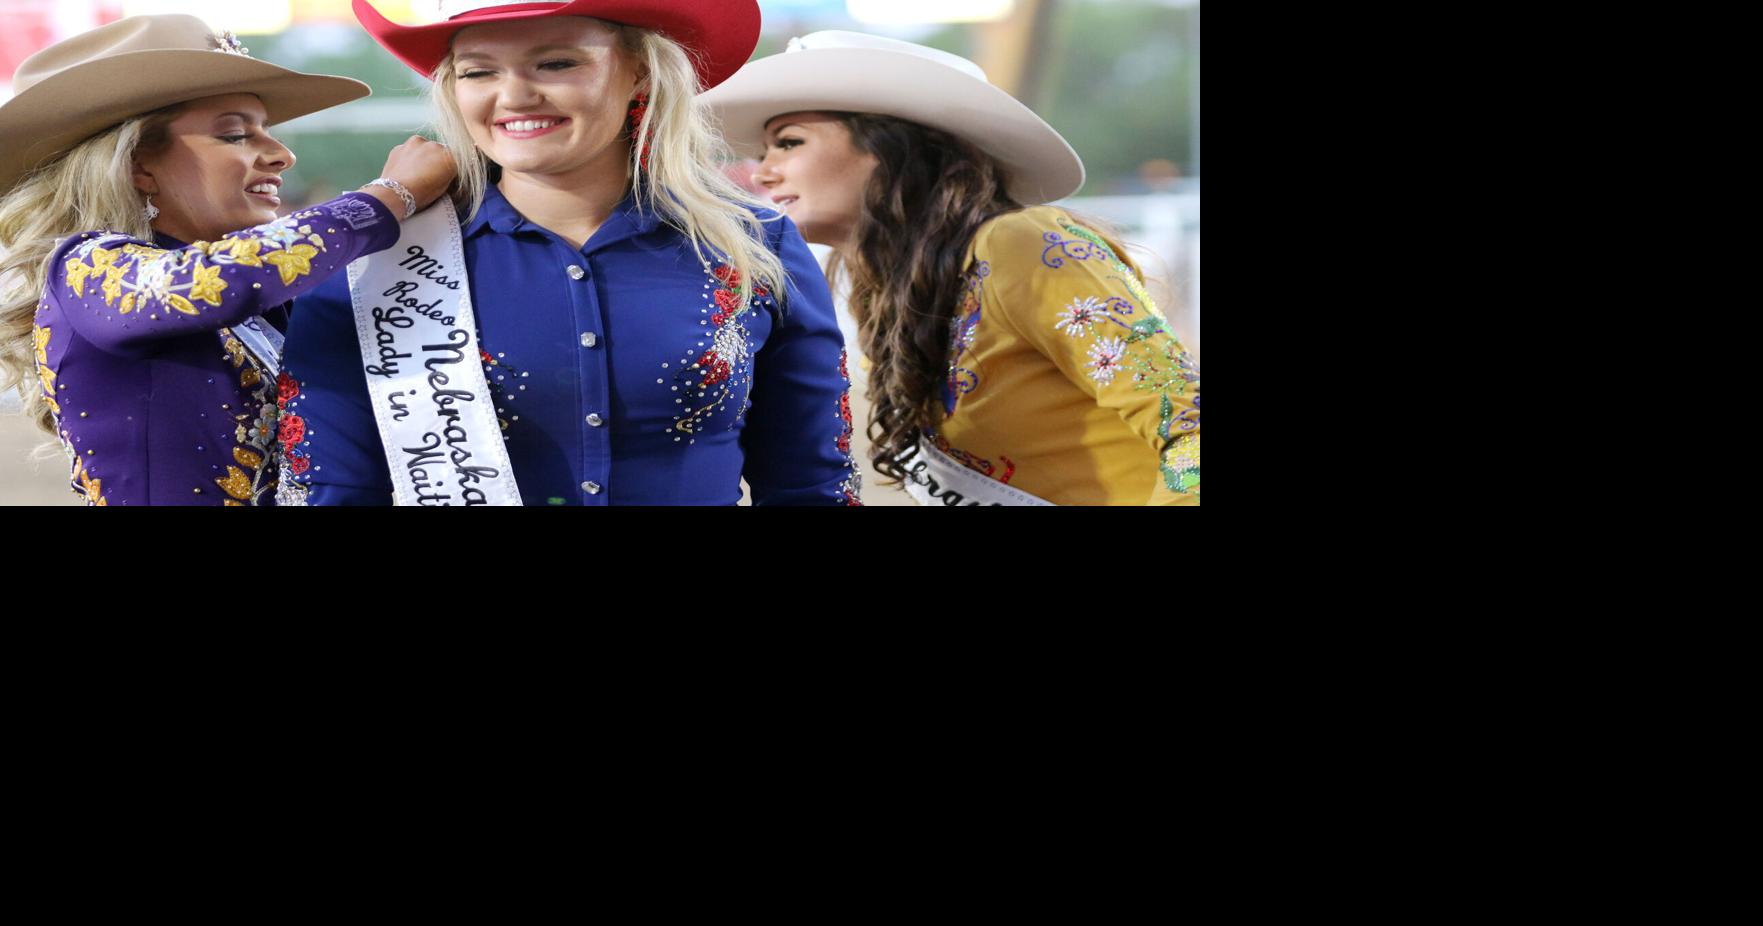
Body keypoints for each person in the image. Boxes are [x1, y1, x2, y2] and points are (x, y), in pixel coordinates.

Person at [276, 0, 858, 505]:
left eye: (557, 63)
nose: (515, 95)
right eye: (479, 71)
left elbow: (812, 484)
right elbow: (335, 491)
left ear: (639, 73)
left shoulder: (757, 245)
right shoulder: (374, 264)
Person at [701, 31, 1200, 505]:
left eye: (788, 143)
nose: (763, 173)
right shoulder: (890, 291)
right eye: (763, 152)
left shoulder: (1022, 244)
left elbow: (1188, 425)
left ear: (887, 147)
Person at [0, 13, 456, 505]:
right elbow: (210, 281)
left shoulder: (267, 306)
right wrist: (387, 198)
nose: (282, 155)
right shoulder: (85, 266)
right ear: (138, 166)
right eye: (237, 135)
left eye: (266, 131)